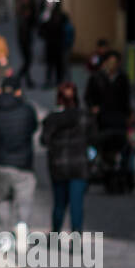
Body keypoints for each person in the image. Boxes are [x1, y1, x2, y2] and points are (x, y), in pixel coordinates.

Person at [0, 76, 38, 240]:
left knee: (2, 201)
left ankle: (4, 236)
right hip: (23, 163)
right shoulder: (27, 110)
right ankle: (21, 226)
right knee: (24, 201)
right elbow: (33, 128)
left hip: (0, 162)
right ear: (19, 91)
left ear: (0, 90)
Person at [40, 81, 95, 234]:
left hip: (59, 165)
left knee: (59, 204)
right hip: (79, 165)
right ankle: (76, 240)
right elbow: (93, 138)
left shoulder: (53, 118)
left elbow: (44, 140)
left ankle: (54, 234)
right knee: (76, 205)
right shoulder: (84, 116)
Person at [85, 49, 131, 193]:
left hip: (118, 119)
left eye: (115, 62)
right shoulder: (96, 77)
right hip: (101, 120)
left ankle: (124, 173)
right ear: (104, 63)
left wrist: (128, 114)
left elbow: (126, 99)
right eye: (109, 62)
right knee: (98, 145)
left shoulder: (122, 78)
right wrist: (93, 107)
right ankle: (95, 168)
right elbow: (88, 96)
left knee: (124, 147)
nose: (112, 65)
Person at [39, 3, 68, 86]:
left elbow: (41, 28)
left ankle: (57, 81)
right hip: (52, 43)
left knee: (56, 64)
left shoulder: (61, 16)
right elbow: (41, 27)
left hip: (56, 43)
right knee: (52, 64)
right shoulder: (49, 15)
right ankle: (53, 81)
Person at [15, 0, 36, 87]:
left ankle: (27, 80)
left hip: (26, 39)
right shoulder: (22, 13)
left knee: (28, 61)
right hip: (24, 41)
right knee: (28, 61)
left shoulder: (28, 11)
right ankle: (19, 78)